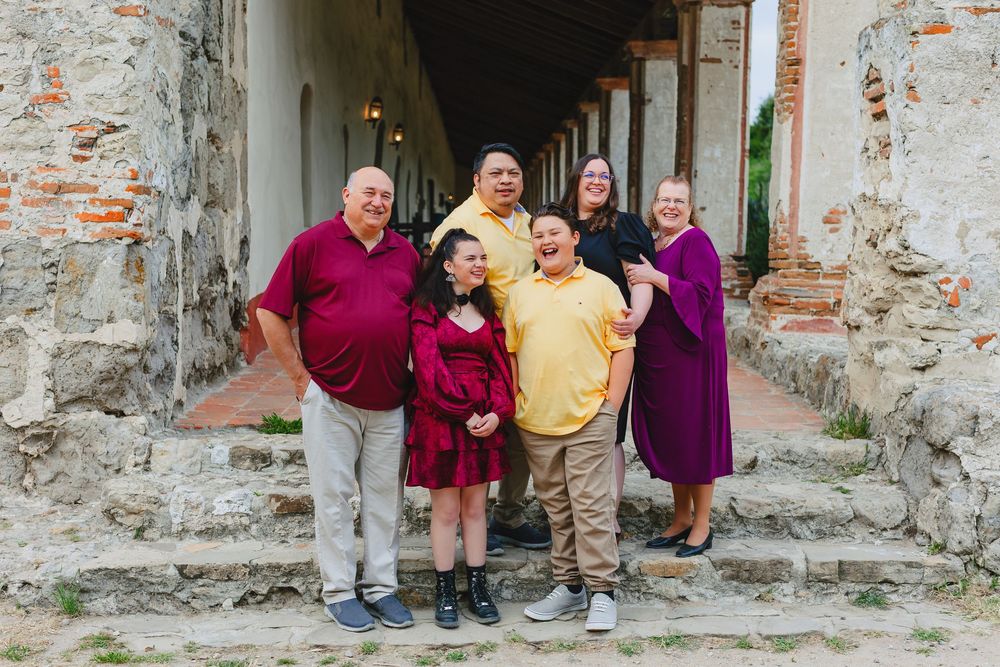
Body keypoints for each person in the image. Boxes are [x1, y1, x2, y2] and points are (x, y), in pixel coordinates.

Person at [256, 167, 420, 632]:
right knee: (333, 499)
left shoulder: (405, 253)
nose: (378, 202)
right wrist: (300, 379)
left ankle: (382, 588)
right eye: (369, 192)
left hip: (390, 399)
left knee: (385, 501)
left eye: (386, 195)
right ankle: (340, 592)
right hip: (329, 398)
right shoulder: (312, 244)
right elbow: (270, 312)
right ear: (346, 194)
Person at [504, 203, 635, 632]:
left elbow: (623, 349)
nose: (546, 242)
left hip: (589, 417)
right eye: (538, 235)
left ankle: (602, 592)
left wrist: (611, 408)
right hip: (536, 421)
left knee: (591, 506)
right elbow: (511, 354)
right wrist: (519, 402)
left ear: (574, 238)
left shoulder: (602, 287)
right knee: (557, 509)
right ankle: (569, 586)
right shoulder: (521, 293)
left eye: (554, 233)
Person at [431, 143, 551, 556]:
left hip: (528, 343)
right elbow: (438, 285)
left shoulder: (530, 223)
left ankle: (509, 514)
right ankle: (473, 520)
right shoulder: (459, 224)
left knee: (517, 426)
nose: (505, 181)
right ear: (476, 180)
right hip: (478, 346)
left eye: (513, 173)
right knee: (477, 431)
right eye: (496, 173)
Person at [406, 228, 514, 629]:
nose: (480, 264)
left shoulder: (487, 309)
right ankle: (445, 591)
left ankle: (479, 589)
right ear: (449, 266)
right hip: (443, 420)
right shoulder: (426, 309)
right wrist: (464, 414)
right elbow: (428, 371)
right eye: (471, 258)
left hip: (484, 421)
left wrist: (497, 413)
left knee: (475, 508)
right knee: (447, 510)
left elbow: (500, 367)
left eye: (483, 258)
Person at [626, 175, 733, 558]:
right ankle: (681, 518)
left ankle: (701, 524)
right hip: (661, 354)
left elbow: (701, 295)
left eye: (679, 201)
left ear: (690, 207)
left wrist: (655, 277)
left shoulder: (695, 241)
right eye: (664, 199)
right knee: (676, 436)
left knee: (696, 435)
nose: (670, 206)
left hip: (693, 353)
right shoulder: (654, 245)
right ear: (653, 205)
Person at [558, 153, 653, 541]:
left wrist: (637, 317)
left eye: (605, 176)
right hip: (562, 343)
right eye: (590, 174)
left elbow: (639, 277)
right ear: (576, 179)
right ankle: (569, 515)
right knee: (566, 427)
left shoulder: (620, 224)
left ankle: (608, 515)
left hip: (608, 341)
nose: (597, 181)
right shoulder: (557, 224)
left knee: (608, 428)